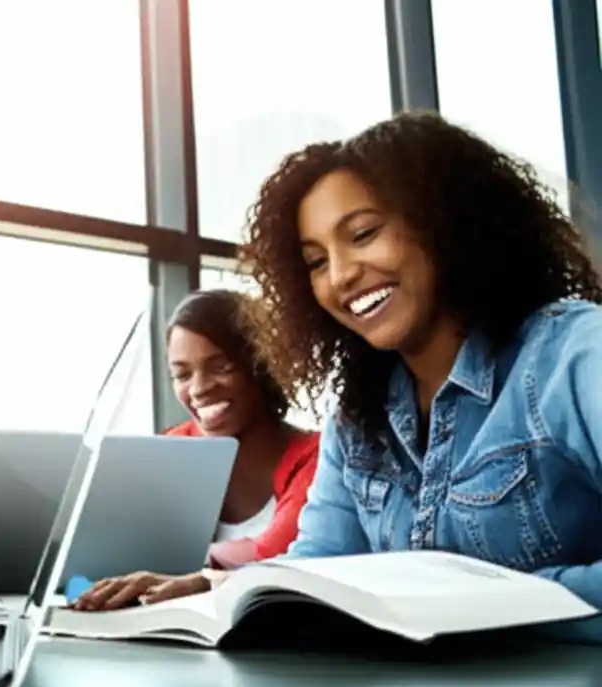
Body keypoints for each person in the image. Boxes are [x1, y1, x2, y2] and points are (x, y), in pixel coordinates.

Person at [239, 111, 602, 643]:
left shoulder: (574, 353)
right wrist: (213, 594)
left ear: (444, 221)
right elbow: (315, 574)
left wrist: (497, 607)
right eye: (316, 262)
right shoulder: (358, 418)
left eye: (363, 234)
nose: (340, 276)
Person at [74, 290, 319, 611]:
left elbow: (278, 552)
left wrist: (195, 577)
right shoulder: (169, 451)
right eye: (182, 374)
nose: (199, 388)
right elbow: (106, 563)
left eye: (222, 367)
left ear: (262, 364)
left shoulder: (316, 457)